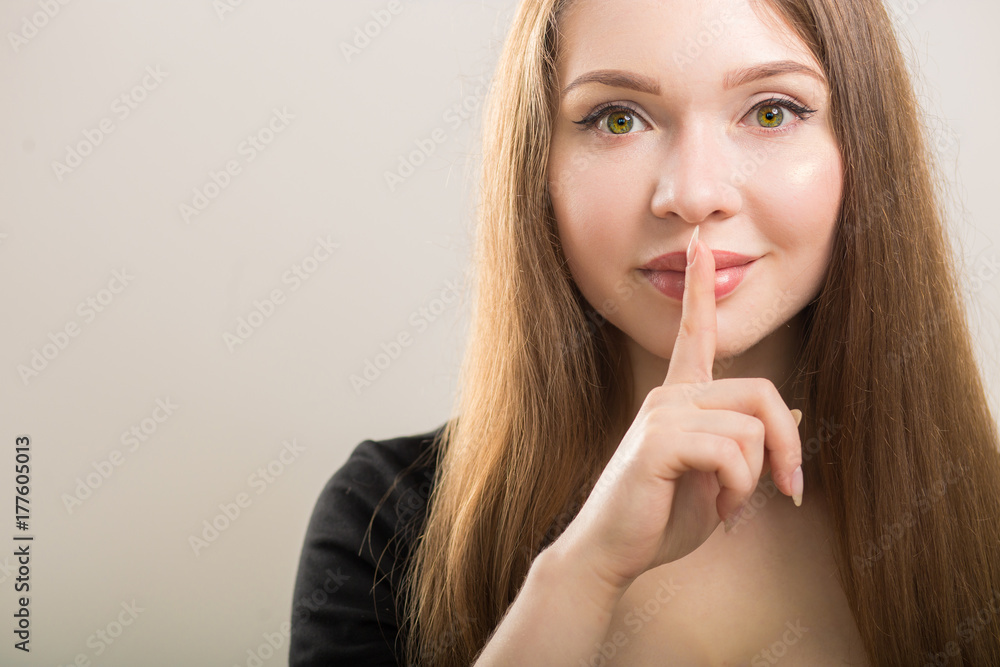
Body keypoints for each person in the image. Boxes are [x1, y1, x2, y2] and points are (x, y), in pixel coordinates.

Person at [290, 0, 1000, 664]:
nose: (693, 193)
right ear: (538, 166)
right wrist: (578, 576)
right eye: (618, 119)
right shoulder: (385, 523)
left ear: (863, 147)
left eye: (772, 111)